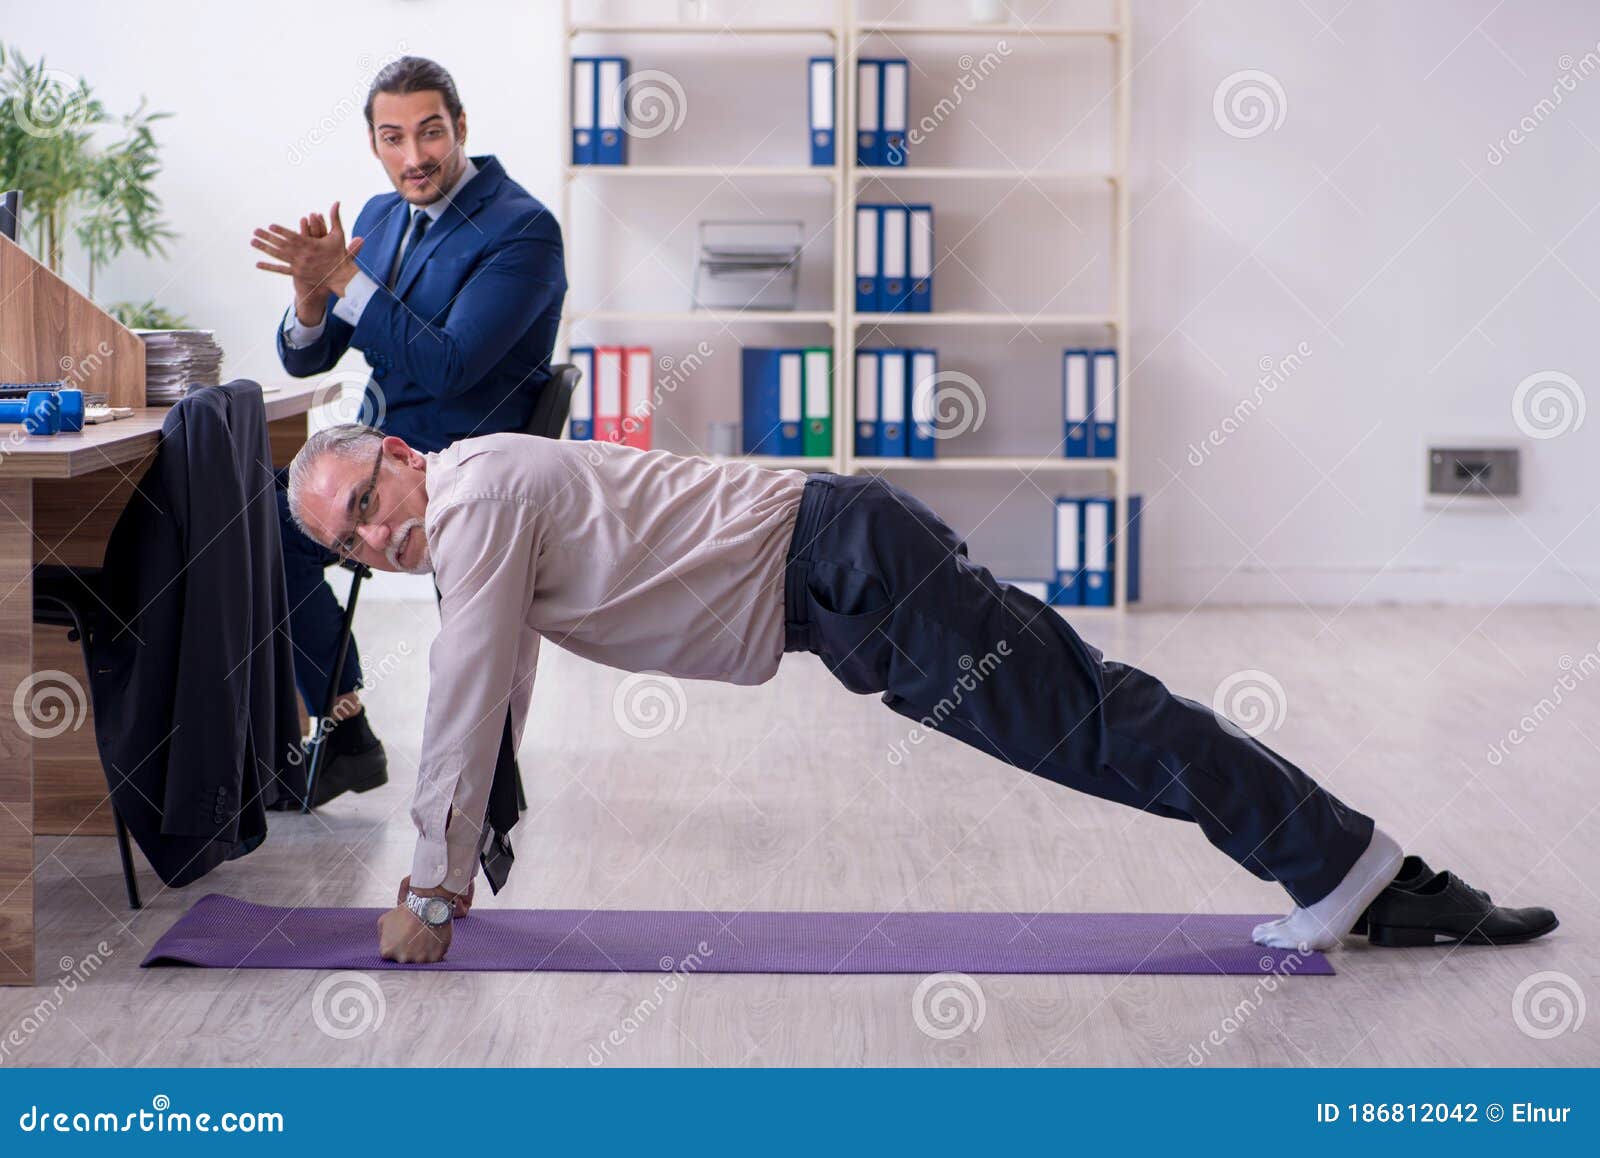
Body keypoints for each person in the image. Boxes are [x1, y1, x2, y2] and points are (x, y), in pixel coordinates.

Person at [283, 425, 1559, 964]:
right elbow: (495, 675)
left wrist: (430, 889)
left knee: (1095, 725)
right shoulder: (473, 517)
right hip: (845, 578)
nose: (370, 541)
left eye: (364, 507)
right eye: (346, 545)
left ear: (398, 457)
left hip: (850, 568)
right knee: (1097, 716)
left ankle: (1371, 884)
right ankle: (1364, 877)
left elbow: (458, 694)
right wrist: (456, 861)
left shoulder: (477, 495)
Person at [250, 56, 567, 805]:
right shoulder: (378, 217)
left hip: (463, 470)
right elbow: (315, 353)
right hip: (374, 463)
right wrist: (310, 301)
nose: (414, 157)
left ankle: (460, 785)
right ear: (374, 144)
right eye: (393, 138)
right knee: (255, 520)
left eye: (430, 133)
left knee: (267, 522)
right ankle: (345, 729)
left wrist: (347, 283)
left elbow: (451, 364)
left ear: (461, 127)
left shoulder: (522, 230)